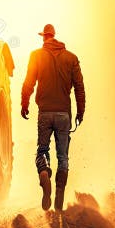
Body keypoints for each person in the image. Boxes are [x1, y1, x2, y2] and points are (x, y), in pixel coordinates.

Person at [21, 24, 85, 212]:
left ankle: (44, 172)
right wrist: (80, 112)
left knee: (42, 150)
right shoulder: (71, 58)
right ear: (55, 37)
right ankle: (59, 193)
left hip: (45, 112)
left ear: (44, 38)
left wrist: (24, 104)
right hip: (64, 114)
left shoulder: (36, 56)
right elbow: (79, 88)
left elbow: (28, 83)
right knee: (63, 156)